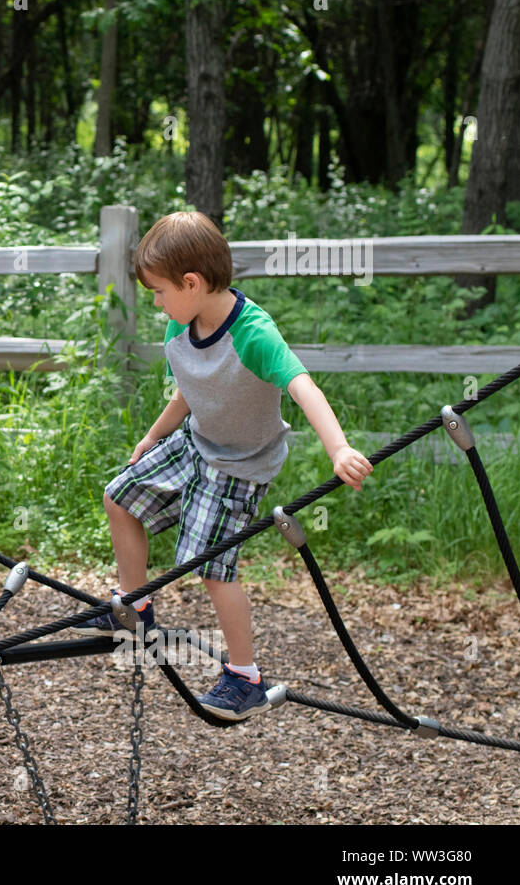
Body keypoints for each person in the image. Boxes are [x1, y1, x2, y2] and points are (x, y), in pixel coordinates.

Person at [77, 210, 373, 720]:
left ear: (191, 283)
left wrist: (339, 449)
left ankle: (245, 677)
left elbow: (303, 387)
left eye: (159, 290)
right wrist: (154, 435)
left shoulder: (254, 334)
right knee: (119, 497)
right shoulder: (183, 321)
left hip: (239, 464)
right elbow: (192, 388)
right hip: (197, 442)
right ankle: (135, 608)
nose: (156, 302)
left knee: (211, 567)